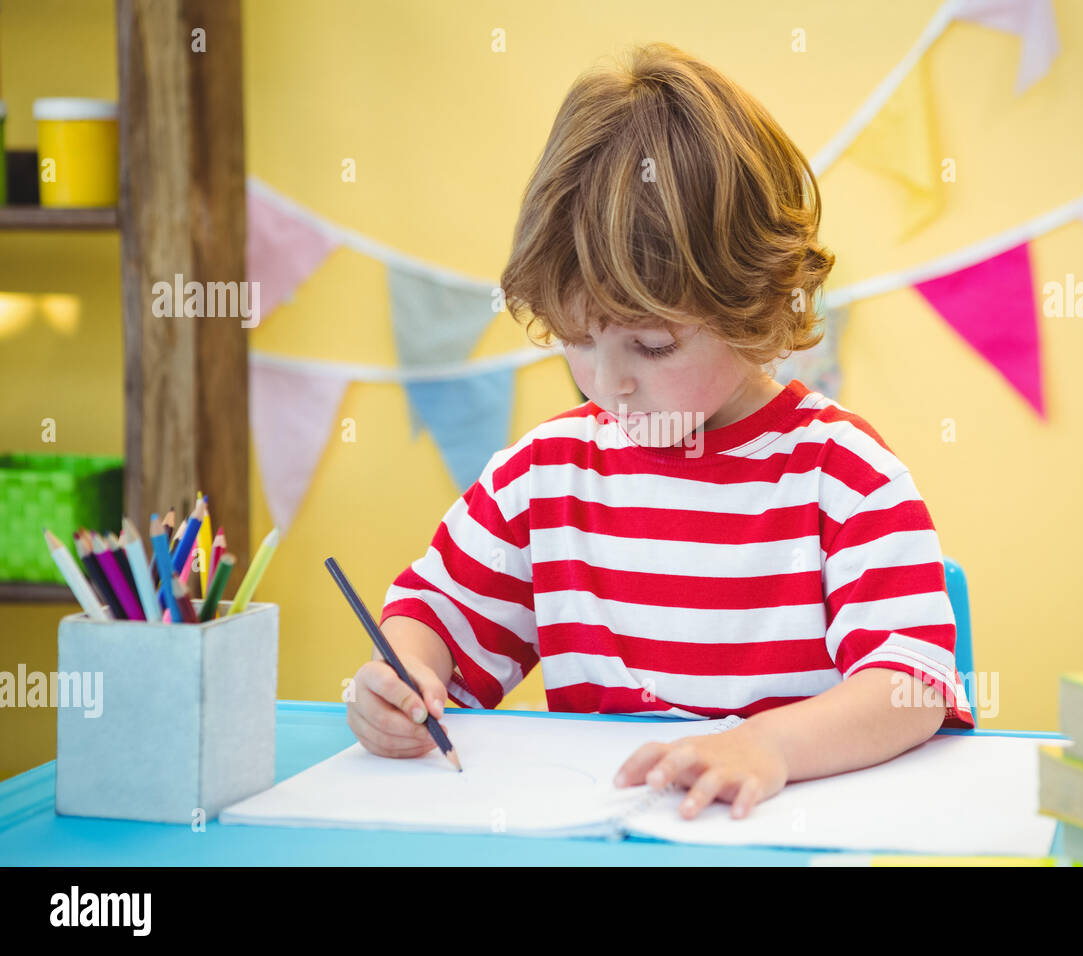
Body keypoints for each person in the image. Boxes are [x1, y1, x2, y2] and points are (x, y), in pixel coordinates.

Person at [347, 41, 973, 821]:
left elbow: (911, 685)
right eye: (578, 340)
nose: (609, 383)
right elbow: (434, 620)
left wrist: (768, 746)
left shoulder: (840, 473)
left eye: (650, 346)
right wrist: (401, 678)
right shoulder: (543, 477)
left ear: (758, 306)